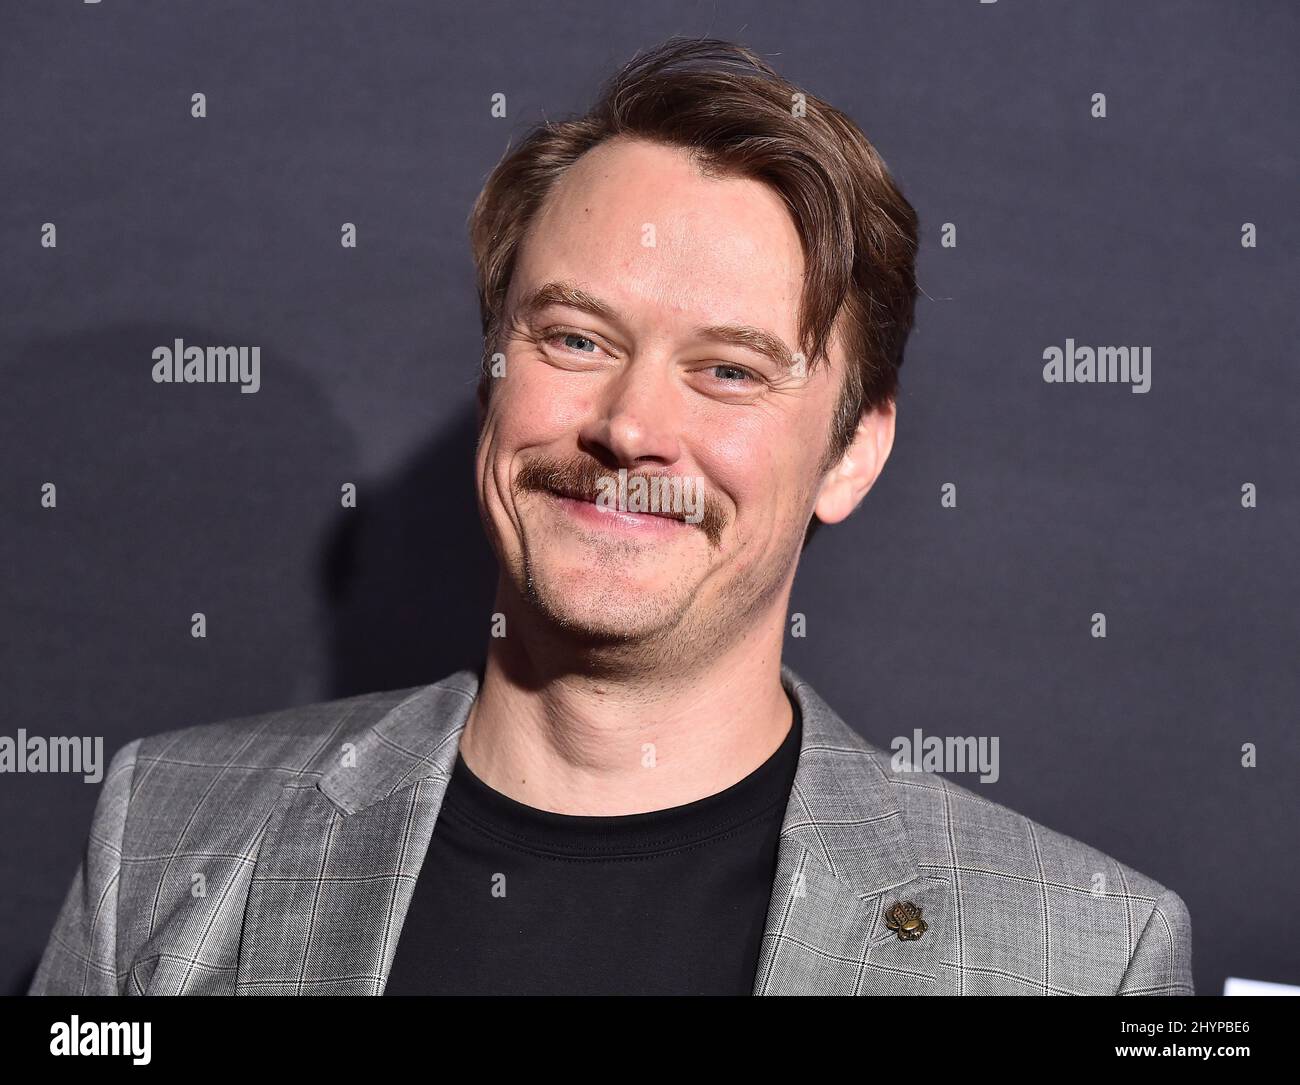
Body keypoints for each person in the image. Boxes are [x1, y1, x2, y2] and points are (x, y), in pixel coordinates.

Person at [29, 37, 1192, 996]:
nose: (631, 426)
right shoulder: (166, 831)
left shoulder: (1085, 952)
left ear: (852, 450)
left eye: (730, 369)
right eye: (576, 339)